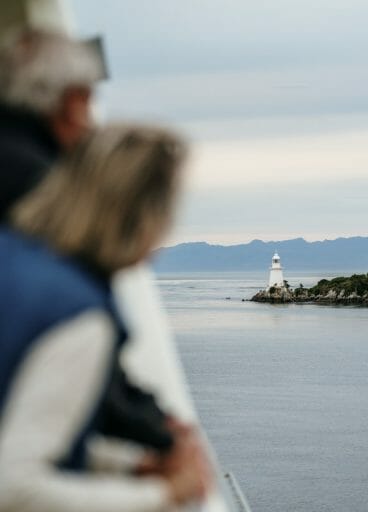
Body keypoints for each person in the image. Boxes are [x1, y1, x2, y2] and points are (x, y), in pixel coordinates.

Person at [0, 124, 210, 511]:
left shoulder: (13, 259)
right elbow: (13, 488)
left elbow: (19, 424)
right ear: (141, 215)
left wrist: (129, 466)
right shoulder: (77, 317)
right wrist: (165, 494)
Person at [0, 28, 177, 454]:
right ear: (71, 99)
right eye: (88, 98)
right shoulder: (41, 183)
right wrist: (156, 431)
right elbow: (70, 320)